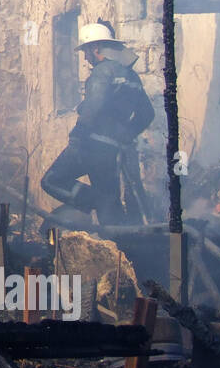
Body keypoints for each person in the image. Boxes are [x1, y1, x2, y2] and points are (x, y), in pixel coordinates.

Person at [41, 19, 154, 225]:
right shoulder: (132, 77)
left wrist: (78, 136)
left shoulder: (102, 72)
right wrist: (127, 134)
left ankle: (96, 201)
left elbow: (94, 106)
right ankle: (123, 248)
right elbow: (147, 113)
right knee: (110, 208)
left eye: (86, 51)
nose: (85, 57)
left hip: (90, 146)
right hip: (113, 150)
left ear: (95, 48)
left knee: (51, 180)